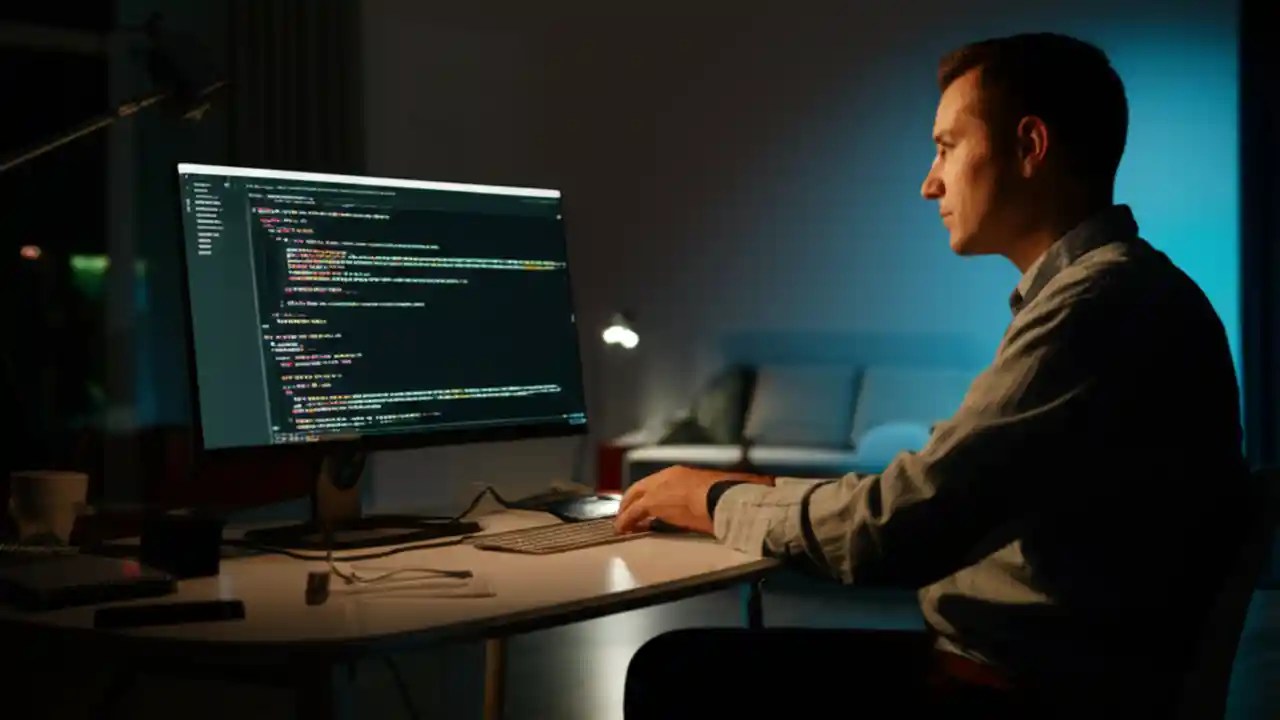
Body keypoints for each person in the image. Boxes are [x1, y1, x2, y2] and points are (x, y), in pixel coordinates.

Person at [617, 32, 1250, 718]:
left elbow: (896, 529)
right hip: (1040, 671)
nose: (930, 183)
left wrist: (713, 501)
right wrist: (759, 492)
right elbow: (932, 492)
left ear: (1029, 146)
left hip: (1022, 691)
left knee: (671, 671)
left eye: (947, 146)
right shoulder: (1124, 292)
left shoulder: (1096, 308)